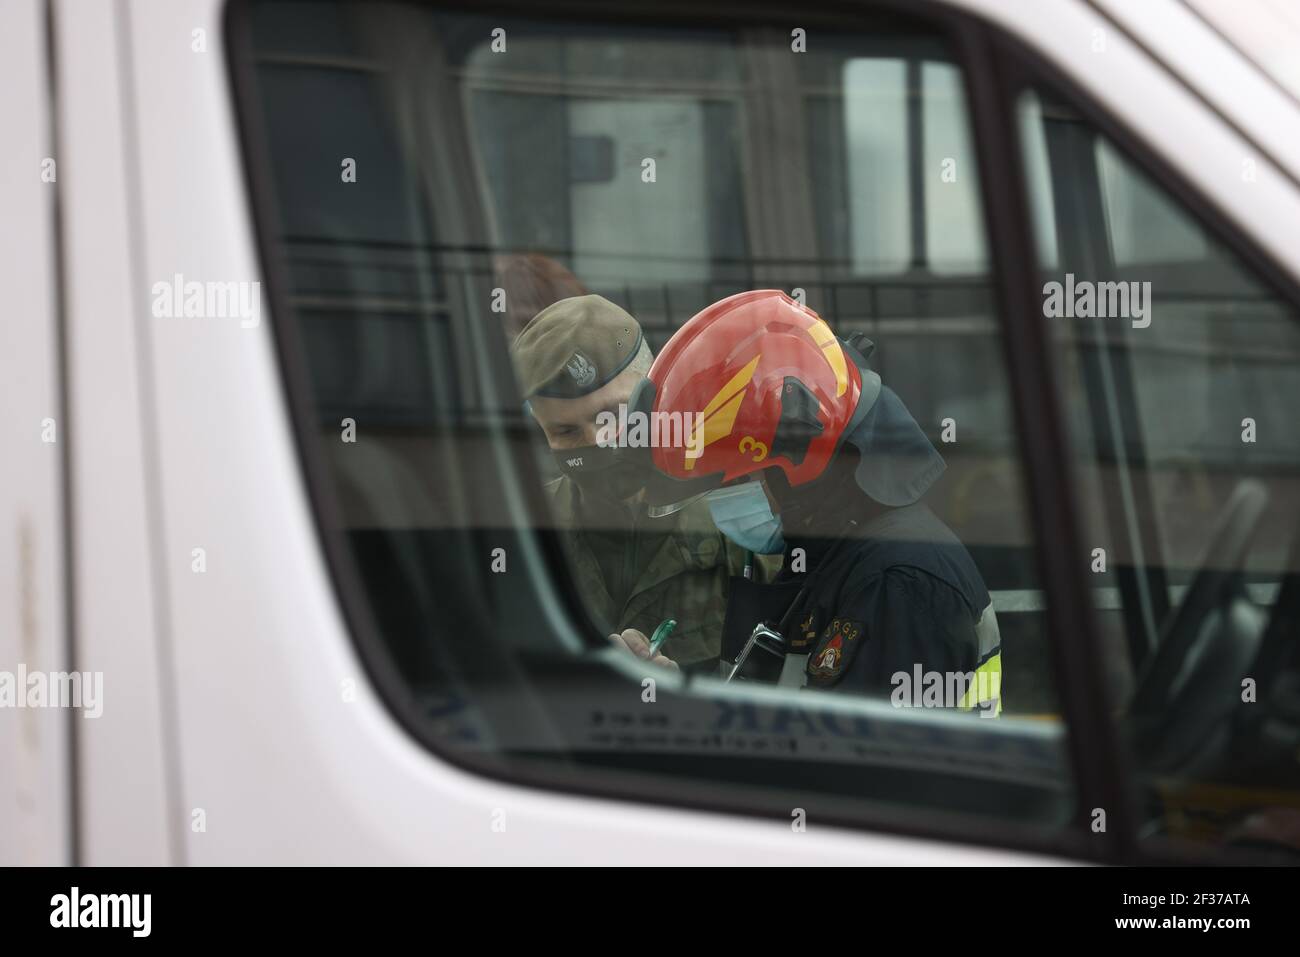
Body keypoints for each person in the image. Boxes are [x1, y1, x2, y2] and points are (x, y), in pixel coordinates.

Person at [620, 289, 1002, 713]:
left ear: (798, 462)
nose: (720, 506)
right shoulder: (835, 557)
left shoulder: (899, 584)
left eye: (732, 484)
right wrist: (675, 701)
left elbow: (839, 773)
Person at [511, 294, 774, 673]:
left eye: (613, 416)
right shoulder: (527, 541)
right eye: (566, 431)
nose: (597, 441)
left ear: (656, 396)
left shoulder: (741, 528)